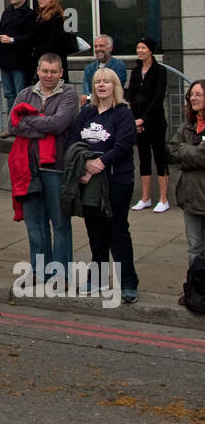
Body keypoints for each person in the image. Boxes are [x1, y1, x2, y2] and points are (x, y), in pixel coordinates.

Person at [9, 53, 79, 285]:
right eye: (44, 71)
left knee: (59, 224)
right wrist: (44, 126)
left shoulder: (68, 94)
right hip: (28, 169)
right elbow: (12, 125)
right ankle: (39, 272)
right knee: (35, 225)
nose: (48, 76)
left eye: (53, 72)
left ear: (61, 73)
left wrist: (30, 121)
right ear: (38, 70)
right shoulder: (24, 93)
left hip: (56, 169)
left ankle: (61, 275)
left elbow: (59, 124)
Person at [72, 68, 139, 302]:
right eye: (97, 82)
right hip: (89, 182)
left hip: (116, 181)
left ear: (115, 86)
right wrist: (86, 165)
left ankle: (128, 283)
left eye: (106, 82)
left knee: (117, 232)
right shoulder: (86, 113)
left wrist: (100, 162)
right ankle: (97, 278)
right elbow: (74, 142)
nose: (101, 85)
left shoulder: (122, 113)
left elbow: (123, 145)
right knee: (96, 233)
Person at [127, 37, 169, 212]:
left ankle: (163, 198)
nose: (140, 50)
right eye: (138, 47)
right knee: (144, 158)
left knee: (160, 156)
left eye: (143, 47)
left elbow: (157, 98)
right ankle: (145, 197)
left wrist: (144, 119)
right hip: (138, 122)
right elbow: (131, 94)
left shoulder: (160, 71)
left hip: (155, 121)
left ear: (150, 50)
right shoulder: (136, 71)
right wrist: (135, 120)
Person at [168, 80, 205, 267]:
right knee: (195, 248)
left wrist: (186, 152)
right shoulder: (186, 126)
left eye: (199, 94)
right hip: (190, 196)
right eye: (191, 94)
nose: (193, 98)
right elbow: (173, 151)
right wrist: (194, 151)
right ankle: (195, 291)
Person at [0, 0, 36, 116]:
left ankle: (21, 122)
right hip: (4, 58)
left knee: (20, 92)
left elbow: (31, 37)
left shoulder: (30, 14)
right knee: (8, 93)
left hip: (20, 59)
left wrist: (12, 40)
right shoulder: (6, 12)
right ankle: (12, 122)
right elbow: (0, 30)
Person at [30, 0, 70, 81]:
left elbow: (54, 40)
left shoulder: (56, 16)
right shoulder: (38, 15)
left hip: (51, 60)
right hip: (41, 59)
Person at [80, 35, 127, 103]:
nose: (98, 49)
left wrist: (89, 98)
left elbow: (115, 92)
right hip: (92, 108)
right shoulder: (89, 68)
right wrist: (89, 98)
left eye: (101, 46)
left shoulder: (119, 66)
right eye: (96, 46)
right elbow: (85, 95)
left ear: (110, 48)